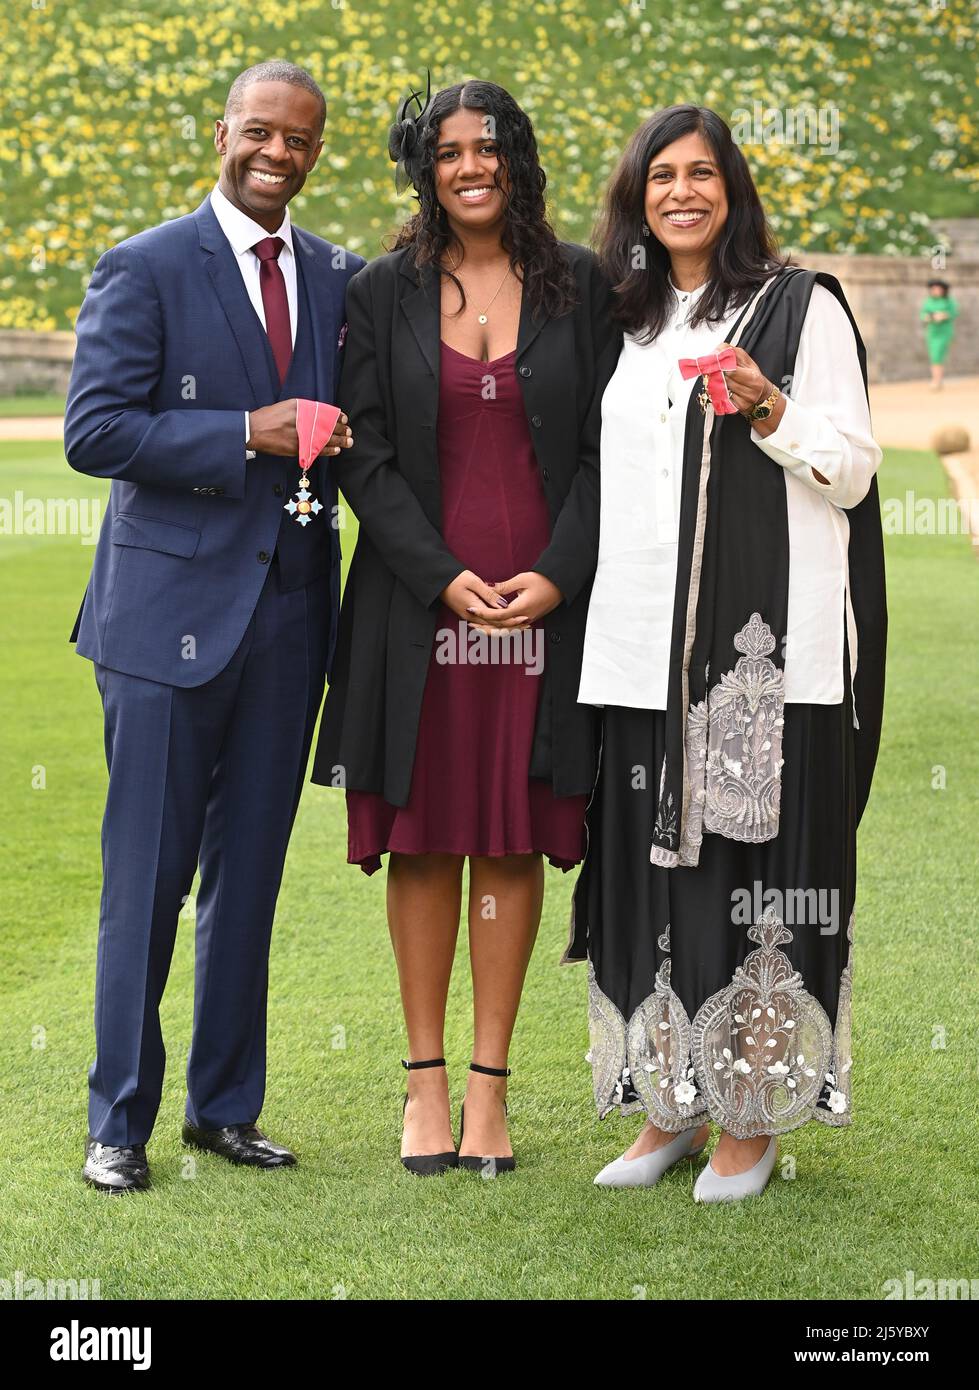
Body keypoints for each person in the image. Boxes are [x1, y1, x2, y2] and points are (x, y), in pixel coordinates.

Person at [567, 105, 887, 1202]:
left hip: (764, 664)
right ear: (637, 197)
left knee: (755, 891)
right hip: (636, 656)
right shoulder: (631, 319)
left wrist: (770, 406)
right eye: (661, 175)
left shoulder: (800, 306)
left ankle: (749, 1122)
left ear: (733, 190)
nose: (681, 192)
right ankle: (668, 1109)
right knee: (649, 890)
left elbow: (849, 470)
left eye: (702, 173)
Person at [311, 77, 621, 1176]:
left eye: (487, 147)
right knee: (424, 831)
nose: (469, 165)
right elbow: (362, 451)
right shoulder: (377, 290)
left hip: (543, 612)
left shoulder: (581, 285)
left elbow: (603, 449)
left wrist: (555, 573)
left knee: (509, 831)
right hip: (417, 611)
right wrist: (442, 577)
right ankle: (423, 1082)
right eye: (446, 150)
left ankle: (490, 1090)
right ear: (423, 166)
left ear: (517, 157)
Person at [64, 61, 364, 1193]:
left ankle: (223, 1106)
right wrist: (249, 429)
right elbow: (94, 432)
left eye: (298, 138)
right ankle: (117, 1121)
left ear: (317, 150)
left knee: (250, 880)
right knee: (145, 877)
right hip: (163, 624)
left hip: (290, 618)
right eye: (258, 132)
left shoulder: (338, 277)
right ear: (223, 132)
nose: (276, 152)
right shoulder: (144, 265)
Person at [920, 278, 958, 390]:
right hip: (932, 333)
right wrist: (930, 317)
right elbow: (923, 315)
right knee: (934, 356)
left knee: (938, 355)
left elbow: (954, 312)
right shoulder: (928, 301)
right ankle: (937, 379)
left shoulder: (948, 301)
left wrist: (943, 315)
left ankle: (936, 380)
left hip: (944, 332)